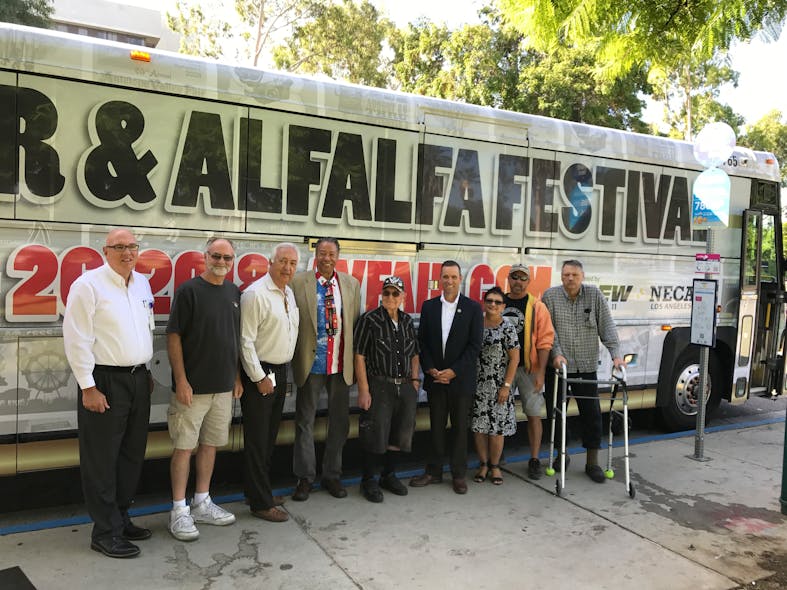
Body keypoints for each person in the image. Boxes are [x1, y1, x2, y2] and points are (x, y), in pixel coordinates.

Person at [62, 228, 154, 558]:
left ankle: (121, 518)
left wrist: (146, 371)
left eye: (131, 246)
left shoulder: (141, 282)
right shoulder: (88, 286)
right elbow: (76, 338)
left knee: (131, 454)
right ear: (105, 250)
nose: (127, 252)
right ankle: (104, 532)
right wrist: (88, 386)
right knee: (102, 459)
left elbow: (145, 327)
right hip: (104, 382)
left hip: (138, 379)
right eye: (119, 247)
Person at [165, 237, 243, 542]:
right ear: (205, 256)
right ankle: (178, 511)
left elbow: (234, 339)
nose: (222, 262)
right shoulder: (188, 291)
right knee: (184, 448)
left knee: (210, 445)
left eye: (227, 258)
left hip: (223, 388)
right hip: (192, 390)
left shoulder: (234, 292)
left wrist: (236, 377)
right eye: (216, 256)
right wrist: (181, 380)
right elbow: (174, 337)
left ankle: (201, 502)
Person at [542, 259, 625, 483]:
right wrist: (556, 354)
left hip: (586, 366)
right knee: (556, 413)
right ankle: (561, 454)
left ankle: (592, 462)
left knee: (592, 414)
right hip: (559, 367)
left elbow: (607, 327)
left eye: (574, 275)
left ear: (582, 277)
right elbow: (548, 331)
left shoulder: (594, 295)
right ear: (561, 276)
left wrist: (616, 354)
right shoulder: (550, 296)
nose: (570, 278)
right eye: (566, 274)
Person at [290, 238, 361, 501]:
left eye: (331, 253)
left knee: (339, 423)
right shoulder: (300, 282)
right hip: (311, 364)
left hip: (341, 365)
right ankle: (305, 478)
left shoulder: (351, 284)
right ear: (315, 255)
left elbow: (354, 325)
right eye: (322, 253)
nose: (327, 258)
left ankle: (332, 475)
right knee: (304, 422)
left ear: (338, 256)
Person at [410, 260, 483, 494]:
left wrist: (454, 371)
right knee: (436, 428)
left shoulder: (472, 308)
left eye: (453, 277)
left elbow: (474, 346)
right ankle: (433, 472)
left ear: (460, 279)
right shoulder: (429, 306)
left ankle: (459, 475)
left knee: (460, 429)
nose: (449, 281)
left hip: (460, 381)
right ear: (439, 280)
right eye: (445, 277)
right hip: (435, 379)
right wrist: (430, 368)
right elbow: (422, 342)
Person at [239, 242, 300, 522]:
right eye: (283, 261)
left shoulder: (288, 292)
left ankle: (259, 491)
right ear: (270, 262)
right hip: (261, 373)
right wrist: (258, 377)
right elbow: (246, 341)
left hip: (279, 370)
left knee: (269, 438)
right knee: (257, 440)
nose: (287, 268)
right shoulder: (255, 294)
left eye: (292, 263)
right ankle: (260, 503)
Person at [353, 276, 420, 503]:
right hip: (379, 384)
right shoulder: (369, 320)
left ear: (403, 297)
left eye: (395, 293)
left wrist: (415, 380)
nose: (390, 297)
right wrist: (364, 389)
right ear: (381, 295)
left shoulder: (408, 321)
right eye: (387, 293)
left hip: (404, 385)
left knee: (398, 433)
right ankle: (369, 479)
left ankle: (388, 475)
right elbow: (359, 356)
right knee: (375, 433)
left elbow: (415, 352)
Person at [502, 263, 555, 480]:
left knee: (533, 414)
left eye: (523, 278)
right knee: (499, 414)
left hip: (528, 368)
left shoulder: (537, 307)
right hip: (502, 369)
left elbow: (545, 341)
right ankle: (496, 458)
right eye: (514, 277)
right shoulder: (498, 301)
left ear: (529, 281)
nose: (518, 281)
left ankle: (534, 459)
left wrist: (541, 372)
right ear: (508, 278)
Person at [471, 286, 520, 486]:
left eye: (497, 302)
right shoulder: (476, 324)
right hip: (477, 384)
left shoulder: (507, 327)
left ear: (503, 306)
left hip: (499, 385)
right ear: (484, 303)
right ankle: (483, 464)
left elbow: (514, 359)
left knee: (497, 429)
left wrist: (506, 386)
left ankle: (495, 466)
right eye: (489, 300)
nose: (493, 304)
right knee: (479, 428)